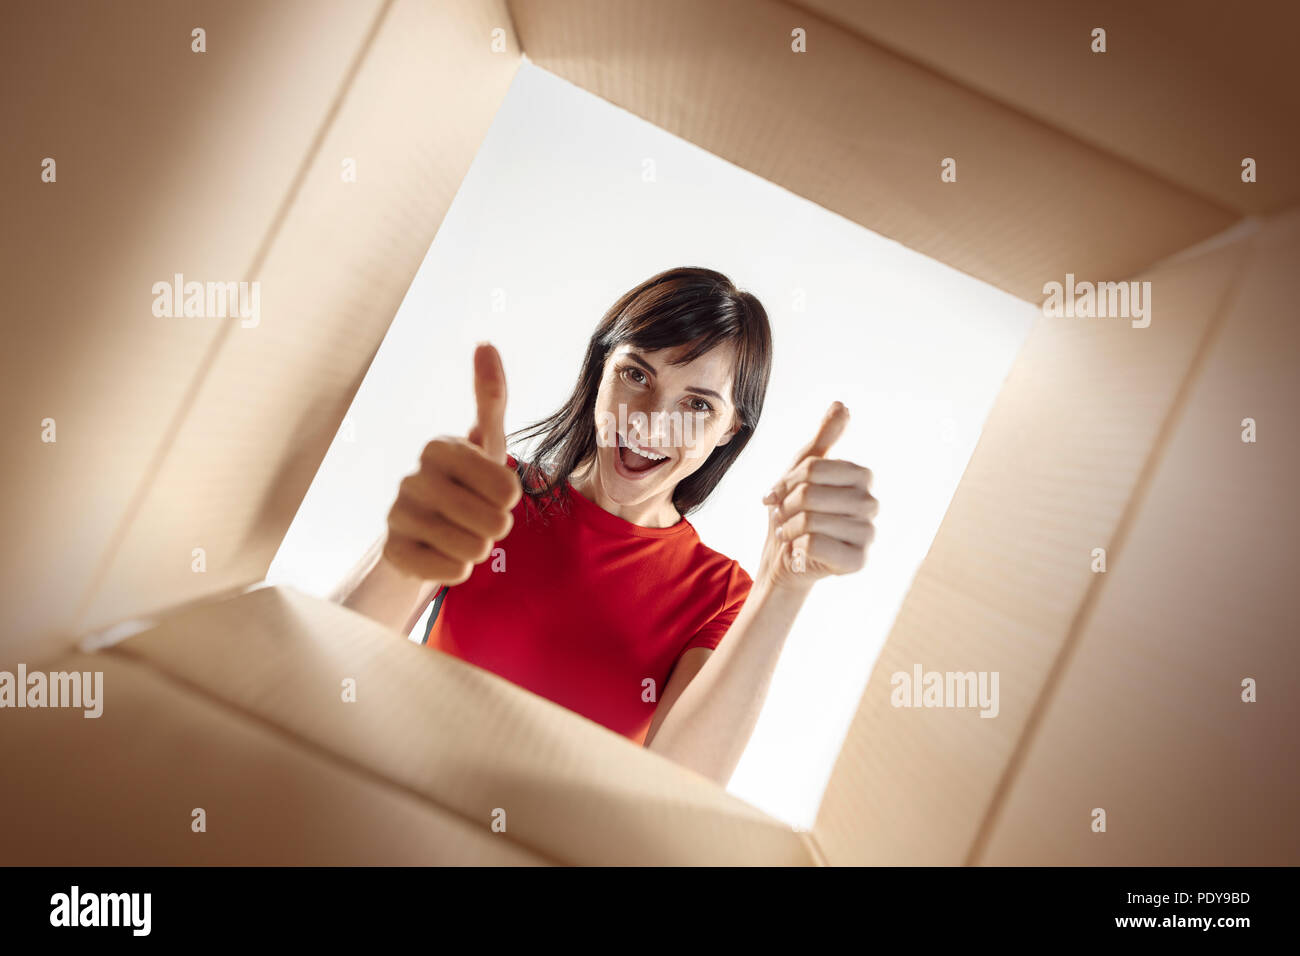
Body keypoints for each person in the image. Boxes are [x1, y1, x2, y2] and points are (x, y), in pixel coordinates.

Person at [339, 267, 878, 784]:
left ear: (728, 431)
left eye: (697, 404)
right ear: (601, 369)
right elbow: (330, 661)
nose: (648, 420)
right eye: (637, 374)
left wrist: (784, 588)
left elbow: (678, 795)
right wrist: (400, 550)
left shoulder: (722, 596)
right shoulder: (491, 490)